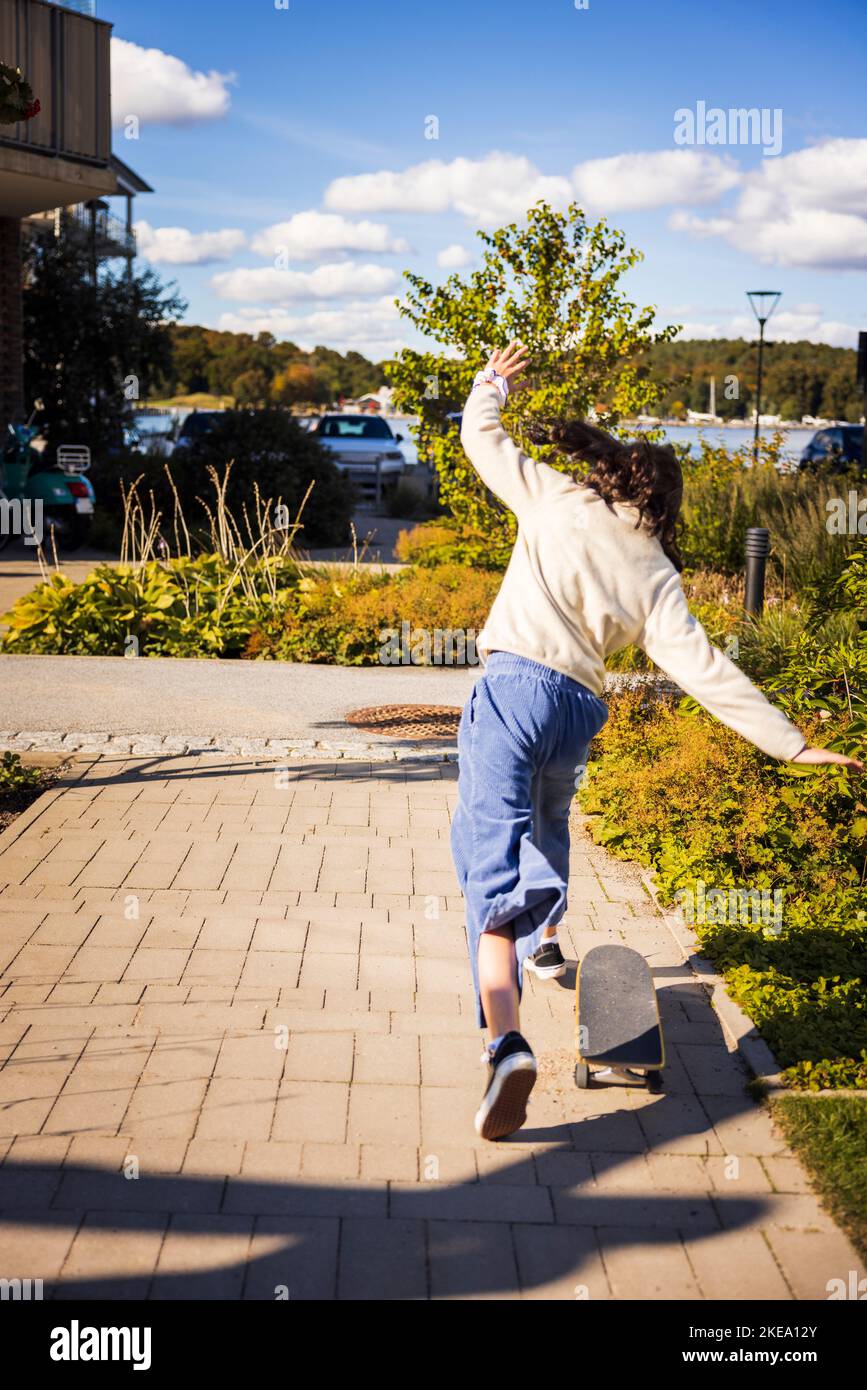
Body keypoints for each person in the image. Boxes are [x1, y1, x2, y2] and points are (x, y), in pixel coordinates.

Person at [451, 341, 863, 1141]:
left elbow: (481, 438)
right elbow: (705, 668)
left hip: (510, 691)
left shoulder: (558, 498)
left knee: (487, 869)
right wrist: (788, 744)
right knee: (548, 822)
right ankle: (544, 941)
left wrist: (490, 382)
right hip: (576, 709)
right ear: (663, 503)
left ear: (609, 471)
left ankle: (505, 1042)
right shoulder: (655, 571)